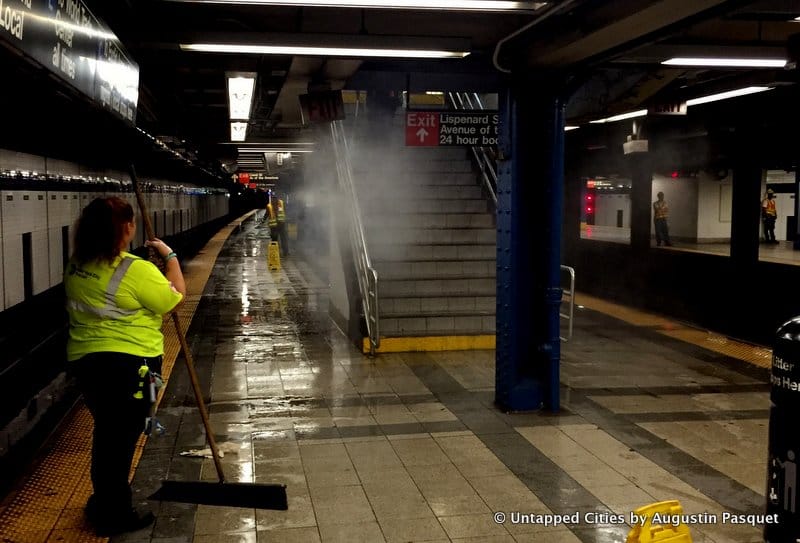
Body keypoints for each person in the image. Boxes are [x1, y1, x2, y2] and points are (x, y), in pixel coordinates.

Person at [64, 197, 185, 536]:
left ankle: (102, 501)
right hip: (134, 368)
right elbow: (176, 296)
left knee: (107, 434)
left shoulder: (76, 264)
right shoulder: (135, 269)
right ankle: (114, 513)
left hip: (87, 365)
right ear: (127, 228)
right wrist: (169, 256)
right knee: (122, 440)